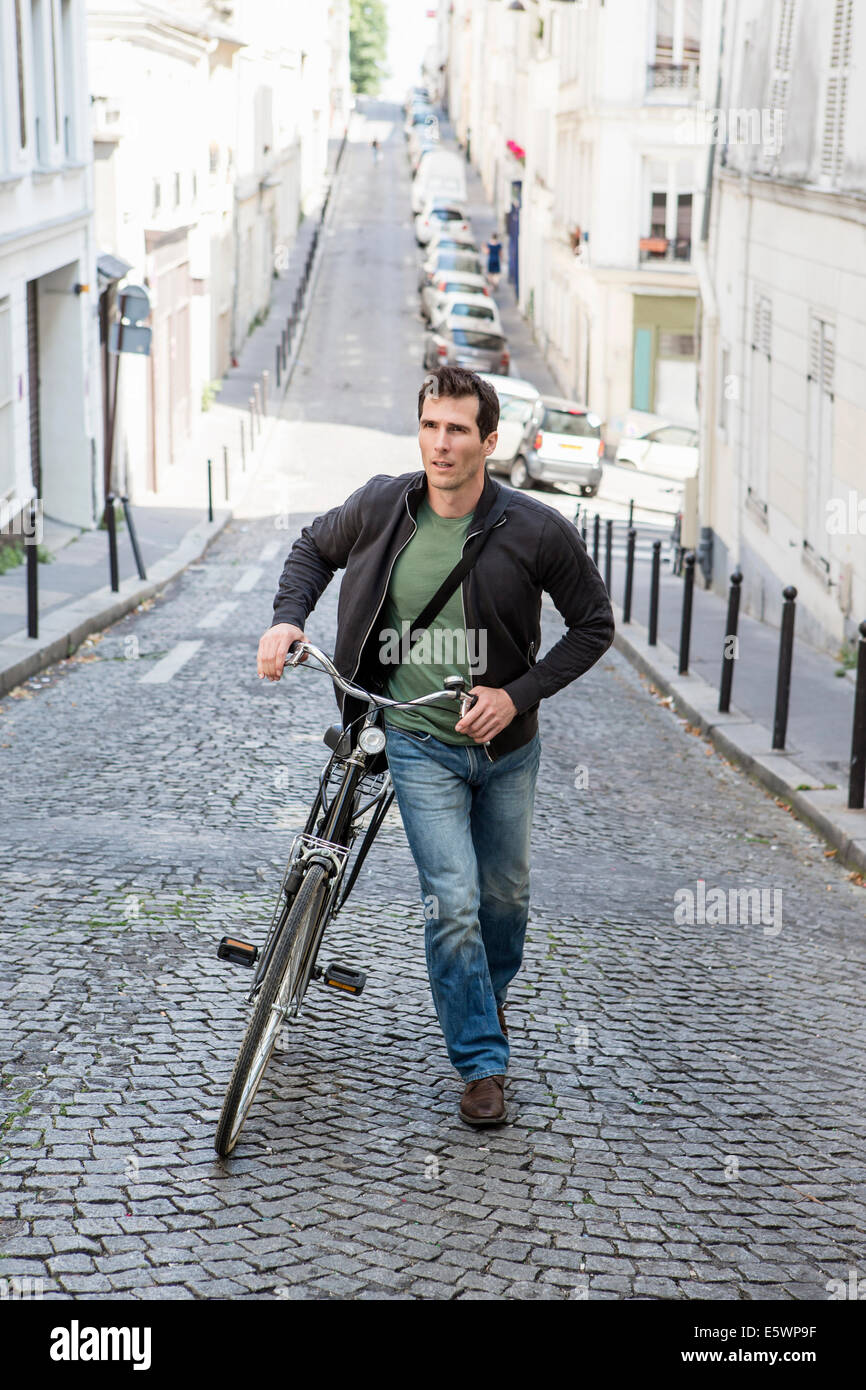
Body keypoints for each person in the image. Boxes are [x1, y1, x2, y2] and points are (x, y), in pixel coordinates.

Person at [257, 366, 614, 1127]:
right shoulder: (384, 504)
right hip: (416, 739)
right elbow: (310, 550)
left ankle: (486, 995)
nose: (441, 444)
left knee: (503, 898)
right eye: (430, 426)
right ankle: (482, 1063)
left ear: (490, 440)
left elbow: (594, 627)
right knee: (451, 899)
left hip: (507, 745)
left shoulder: (537, 529)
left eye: (458, 430)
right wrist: (289, 620)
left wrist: (516, 694)